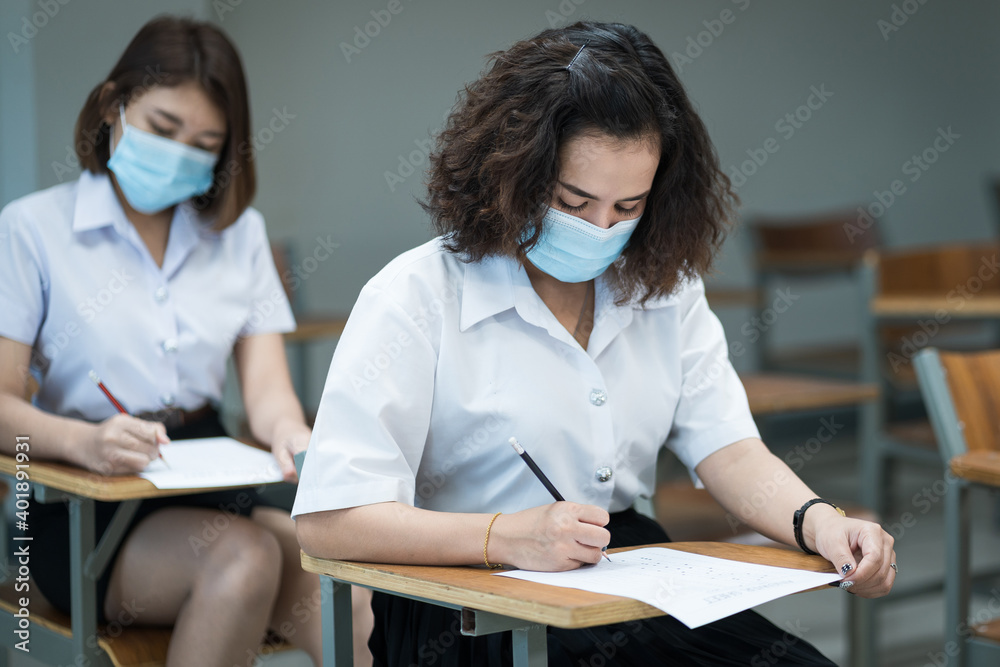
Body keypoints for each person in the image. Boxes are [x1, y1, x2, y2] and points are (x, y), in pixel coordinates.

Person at [293, 21, 895, 666]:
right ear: (512, 175)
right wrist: (506, 537)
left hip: (620, 569)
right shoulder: (416, 294)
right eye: (572, 202)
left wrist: (821, 522)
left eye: (628, 206)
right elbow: (329, 522)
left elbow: (728, 450)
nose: (601, 229)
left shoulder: (662, 283)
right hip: (458, 589)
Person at [0, 16, 372, 667]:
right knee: (245, 557)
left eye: (203, 143)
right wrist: (85, 441)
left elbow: (269, 397)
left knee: (350, 588)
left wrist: (295, 436)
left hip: (205, 473)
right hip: (81, 494)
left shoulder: (241, 234)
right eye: (163, 129)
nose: (178, 154)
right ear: (113, 104)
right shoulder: (32, 229)